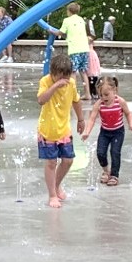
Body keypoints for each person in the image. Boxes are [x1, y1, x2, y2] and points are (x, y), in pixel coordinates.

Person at [36, 51, 86, 208]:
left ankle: (56, 185)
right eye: (60, 77)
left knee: (68, 160)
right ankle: (52, 195)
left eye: (67, 76)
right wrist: (55, 86)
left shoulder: (70, 83)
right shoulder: (45, 81)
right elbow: (41, 100)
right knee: (51, 162)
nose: (64, 80)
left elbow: (76, 101)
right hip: (47, 130)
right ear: (52, 73)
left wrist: (81, 119)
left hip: (64, 129)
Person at [86, 75, 132, 185]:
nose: (103, 97)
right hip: (104, 132)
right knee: (100, 153)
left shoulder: (120, 102)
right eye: (100, 95)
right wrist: (87, 132)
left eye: (106, 94)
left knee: (115, 152)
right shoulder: (99, 104)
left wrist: (131, 124)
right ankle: (106, 171)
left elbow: (128, 113)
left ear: (115, 90)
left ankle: (114, 175)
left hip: (118, 132)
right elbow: (91, 119)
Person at [62, 1, 92, 95]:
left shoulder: (67, 20)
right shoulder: (81, 20)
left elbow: (61, 32)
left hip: (74, 50)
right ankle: (87, 94)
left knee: (73, 72)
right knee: (83, 72)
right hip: (85, 49)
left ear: (69, 11)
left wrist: (52, 31)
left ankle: (72, 94)